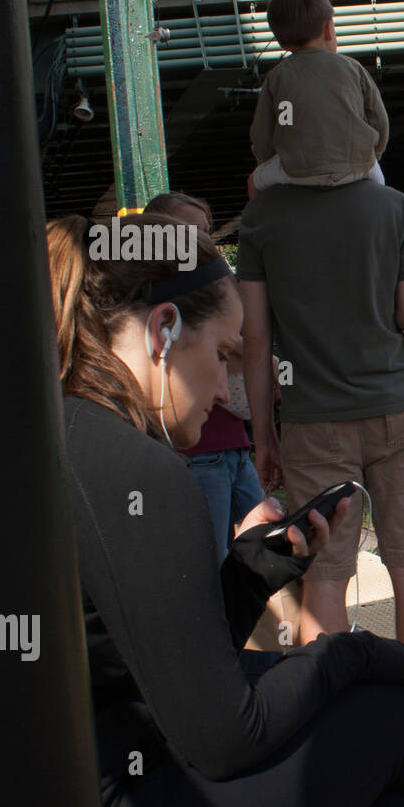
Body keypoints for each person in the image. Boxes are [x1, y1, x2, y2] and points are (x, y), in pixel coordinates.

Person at [47, 213, 404, 807]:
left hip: (84, 758)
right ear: (164, 330)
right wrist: (360, 652)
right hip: (113, 785)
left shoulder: (68, 432)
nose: (222, 391)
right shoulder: (136, 471)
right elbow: (225, 737)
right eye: (221, 355)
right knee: (399, 716)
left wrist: (256, 568)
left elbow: (165, 659)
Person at [238, 177, 404, 675]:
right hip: (397, 411)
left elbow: (255, 338)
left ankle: (329, 726)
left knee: (323, 576)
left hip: (312, 421)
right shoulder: (393, 207)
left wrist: (263, 437)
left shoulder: (262, 218)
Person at [145, 192, 265, 565]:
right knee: (211, 560)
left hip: (233, 445)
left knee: (266, 545)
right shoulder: (165, 297)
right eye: (188, 230)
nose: (202, 239)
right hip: (198, 454)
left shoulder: (213, 289)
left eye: (205, 230)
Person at [247, 0, 390, 200]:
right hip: (358, 166)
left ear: (280, 40)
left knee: (254, 181)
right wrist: (372, 155)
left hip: (296, 170)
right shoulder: (353, 68)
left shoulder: (276, 77)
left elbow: (263, 134)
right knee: (382, 189)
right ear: (327, 29)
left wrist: (268, 160)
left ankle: (259, 227)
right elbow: (379, 120)